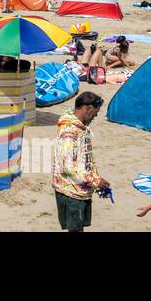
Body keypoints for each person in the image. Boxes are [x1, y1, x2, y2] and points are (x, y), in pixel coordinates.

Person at [52, 92, 109, 233]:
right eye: (96, 112)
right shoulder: (69, 132)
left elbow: (86, 158)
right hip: (71, 192)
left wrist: (96, 181)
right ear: (88, 108)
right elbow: (67, 167)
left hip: (82, 189)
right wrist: (95, 180)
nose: (95, 116)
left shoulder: (81, 128)